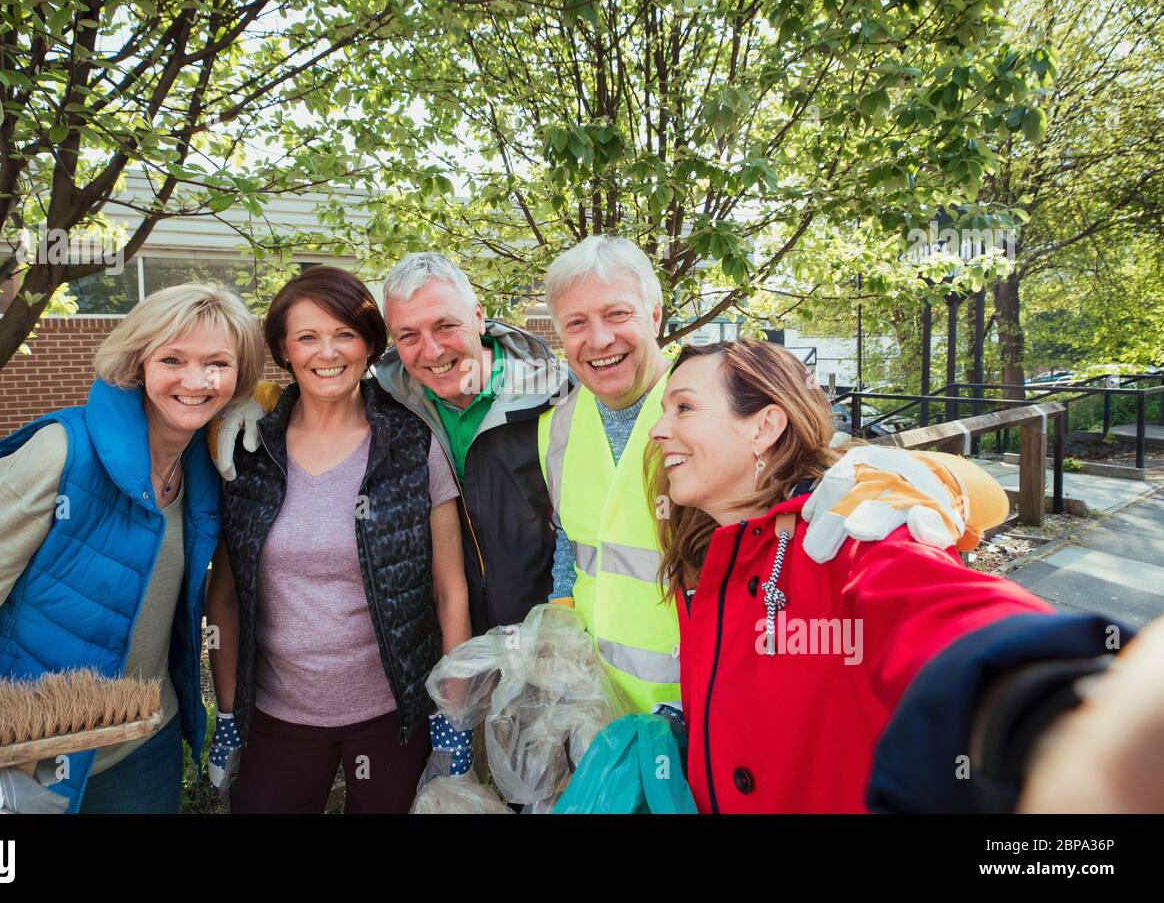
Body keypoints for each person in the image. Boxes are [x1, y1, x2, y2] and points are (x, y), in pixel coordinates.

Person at [647, 338, 1138, 813]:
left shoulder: (850, 527)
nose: (660, 430)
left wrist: (1049, 698)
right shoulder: (707, 554)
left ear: (764, 426)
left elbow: (936, 605)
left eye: (684, 407)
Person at [0, 283, 264, 814]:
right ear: (138, 363)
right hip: (23, 761)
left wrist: (261, 407)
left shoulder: (204, 465)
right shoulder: (58, 456)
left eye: (218, 363)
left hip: (143, 749)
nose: (197, 380)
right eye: (173, 358)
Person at [205, 266, 471, 814]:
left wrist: (454, 715)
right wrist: (228, 712)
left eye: (344, 334)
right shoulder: (249, 451)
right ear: (284, 349)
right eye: (307, 337)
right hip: (278, 717)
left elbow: (451, 593)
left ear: (370, 344)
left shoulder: (413, 442)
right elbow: (224, 598)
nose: (327, 352)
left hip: (393, 715)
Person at [377, 253, 572, 632]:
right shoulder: (382, 406)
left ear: (479, 316)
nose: (432, 351)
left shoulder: (557, 395)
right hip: (434, 641)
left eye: (446, 325)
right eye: (408, 335)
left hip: (545, 635)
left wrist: (561, 621)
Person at [536, 235, 682, 713]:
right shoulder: (555, 425)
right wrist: (560, 623)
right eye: (576, 323)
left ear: (655, 314)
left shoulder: (713, 404)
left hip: (697, 708)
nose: (598, 340)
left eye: (617, 314)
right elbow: (571, 538)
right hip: (596, 708)